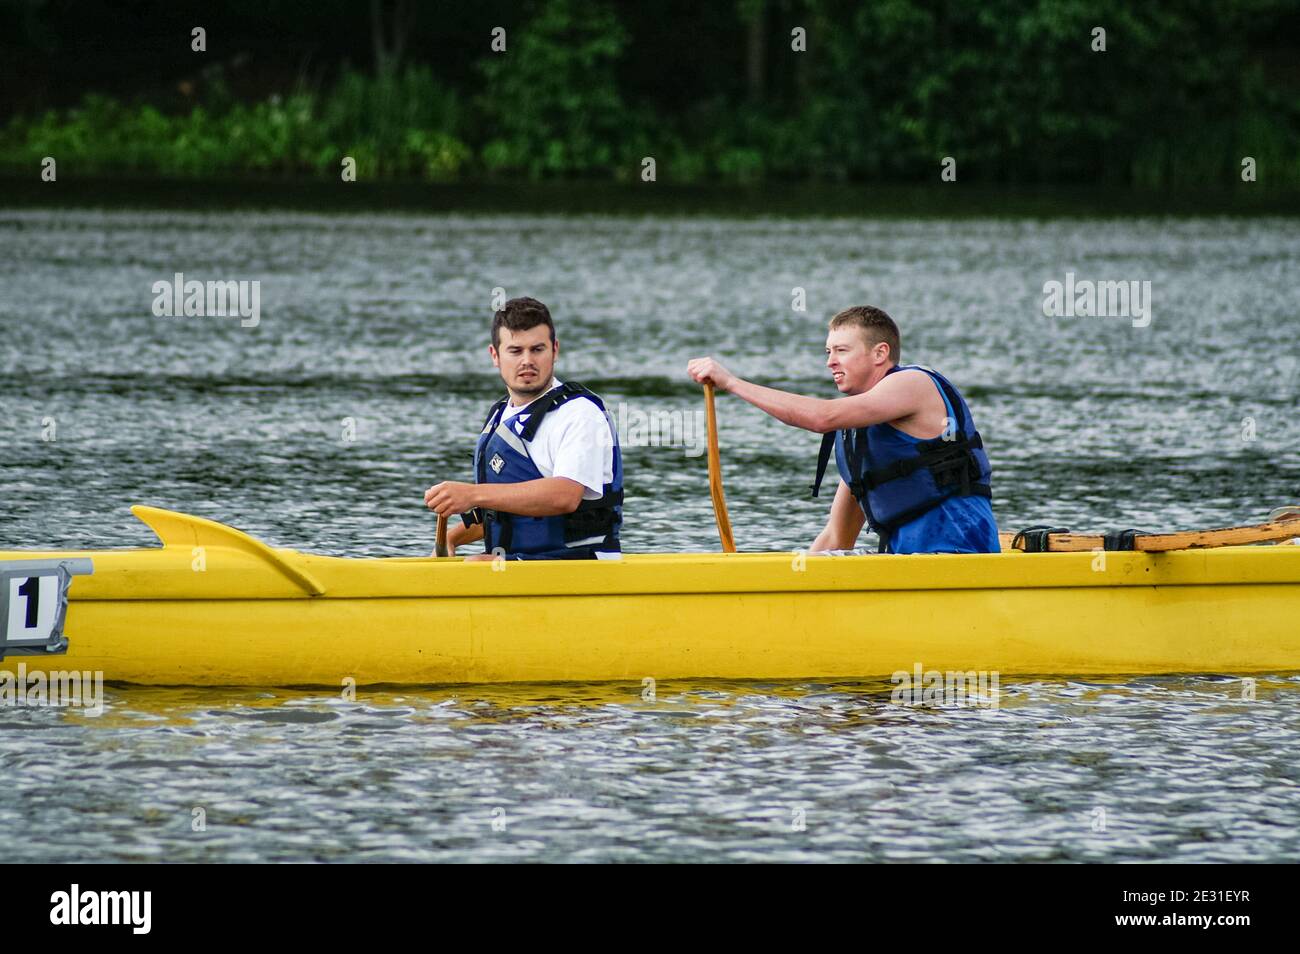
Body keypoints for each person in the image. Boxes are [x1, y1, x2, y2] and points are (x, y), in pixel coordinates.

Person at [687, 305, 999, 555]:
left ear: (880, 353)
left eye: (841, 350)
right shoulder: (861, 435)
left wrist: (731, 383)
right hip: (907, 564)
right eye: (828, 352)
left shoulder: (913, 384)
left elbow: (822, 417)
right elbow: (837, 537)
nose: (830, 362)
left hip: (961, 556)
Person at [424, 297, 623, 561]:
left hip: (581, 569)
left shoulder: (580, 413)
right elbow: (505, 512)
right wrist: (453, 538)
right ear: (495, 356)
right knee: (474, 564)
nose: (527, 361)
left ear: (555, 350)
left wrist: (472, 494)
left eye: (537, 349)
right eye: (516, 351)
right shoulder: (499, 414)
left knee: (476, 567)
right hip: (522, 566)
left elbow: (565, 496)